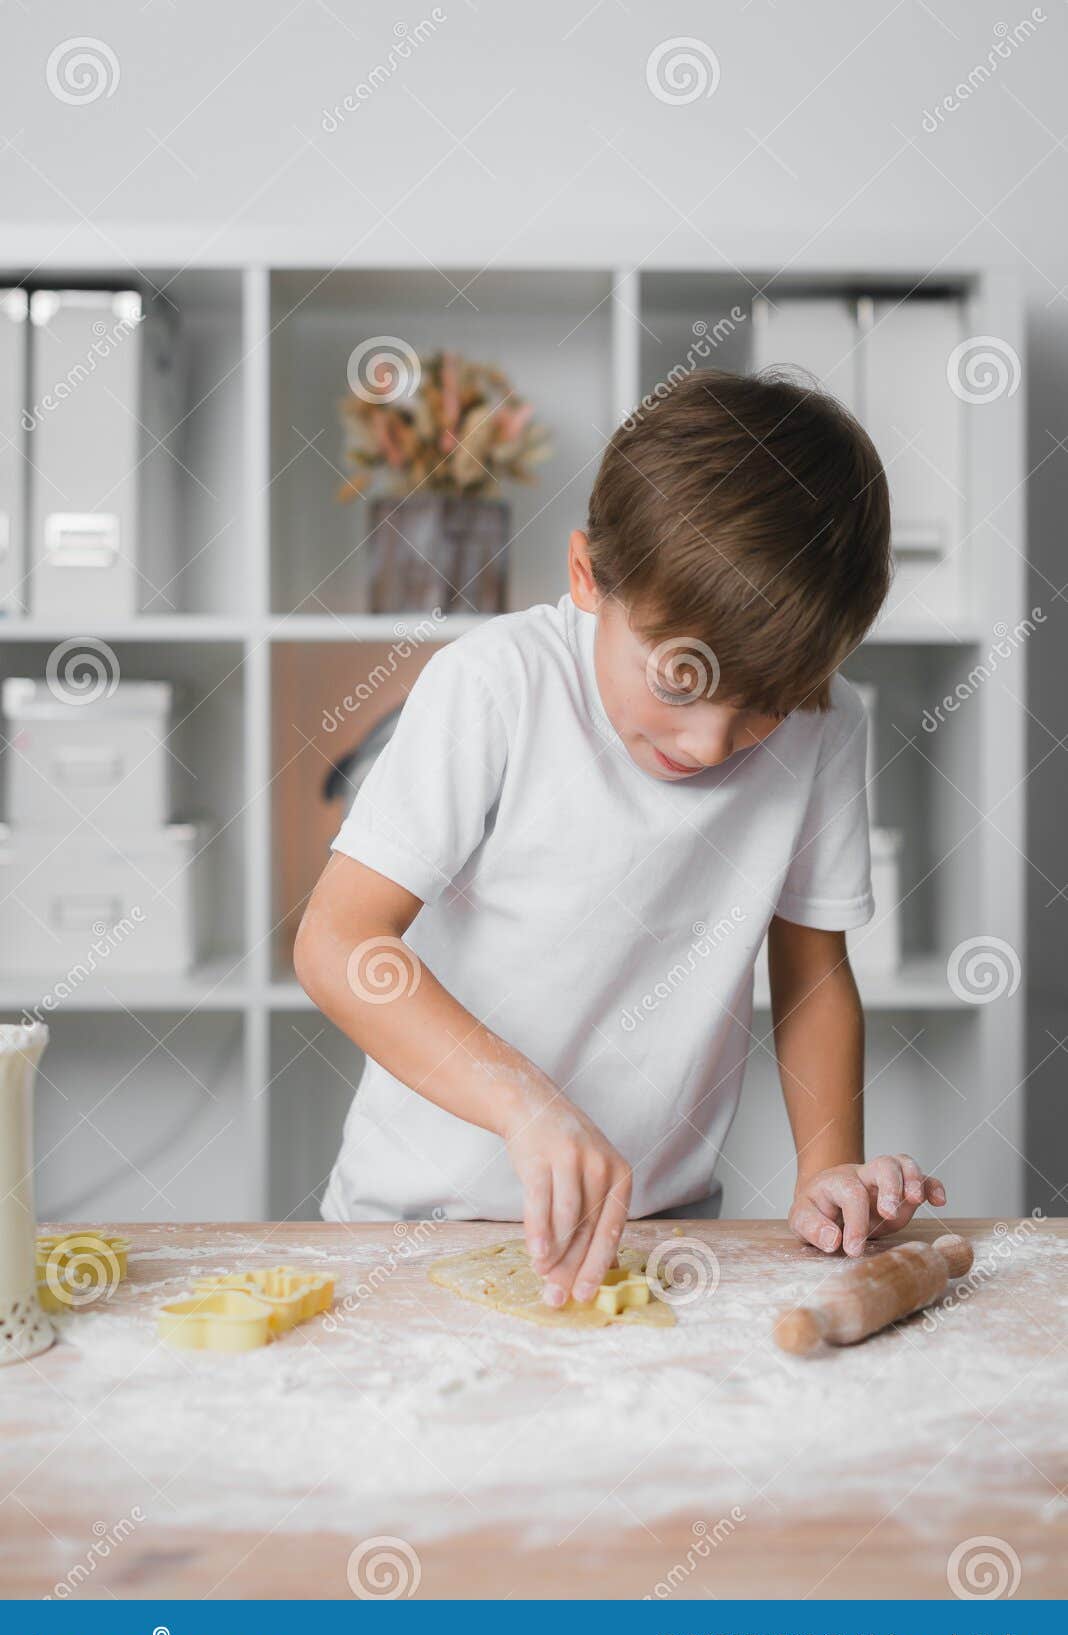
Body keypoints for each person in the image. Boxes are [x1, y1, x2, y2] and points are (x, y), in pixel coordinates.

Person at [295, 367, 947, 1308]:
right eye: (682, 681)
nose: (712, 741)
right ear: (587, 578)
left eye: (761, 705)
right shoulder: (495, 687)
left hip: (660, 1237)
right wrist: (525, 1106)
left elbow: (811, 975)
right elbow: (338, 943)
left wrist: (827, 1176)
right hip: (413, 1228)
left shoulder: (825, 721)